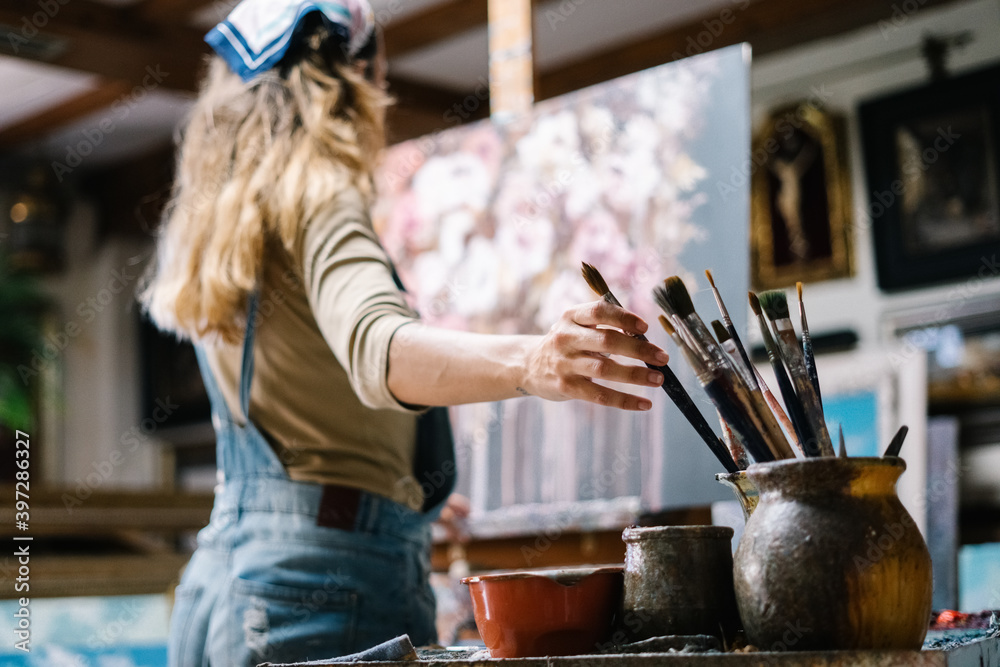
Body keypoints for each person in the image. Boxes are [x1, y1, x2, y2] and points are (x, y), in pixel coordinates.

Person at [140, 1, 668, 665]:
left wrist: (386, 493)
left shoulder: (224, 226)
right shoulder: (321, 195)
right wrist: (532, 360)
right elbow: (376, 348)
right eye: (380, 77)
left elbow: (295, 407)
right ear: (351, 77)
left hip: (222, 586)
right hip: (319, 588)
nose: (383, 97)